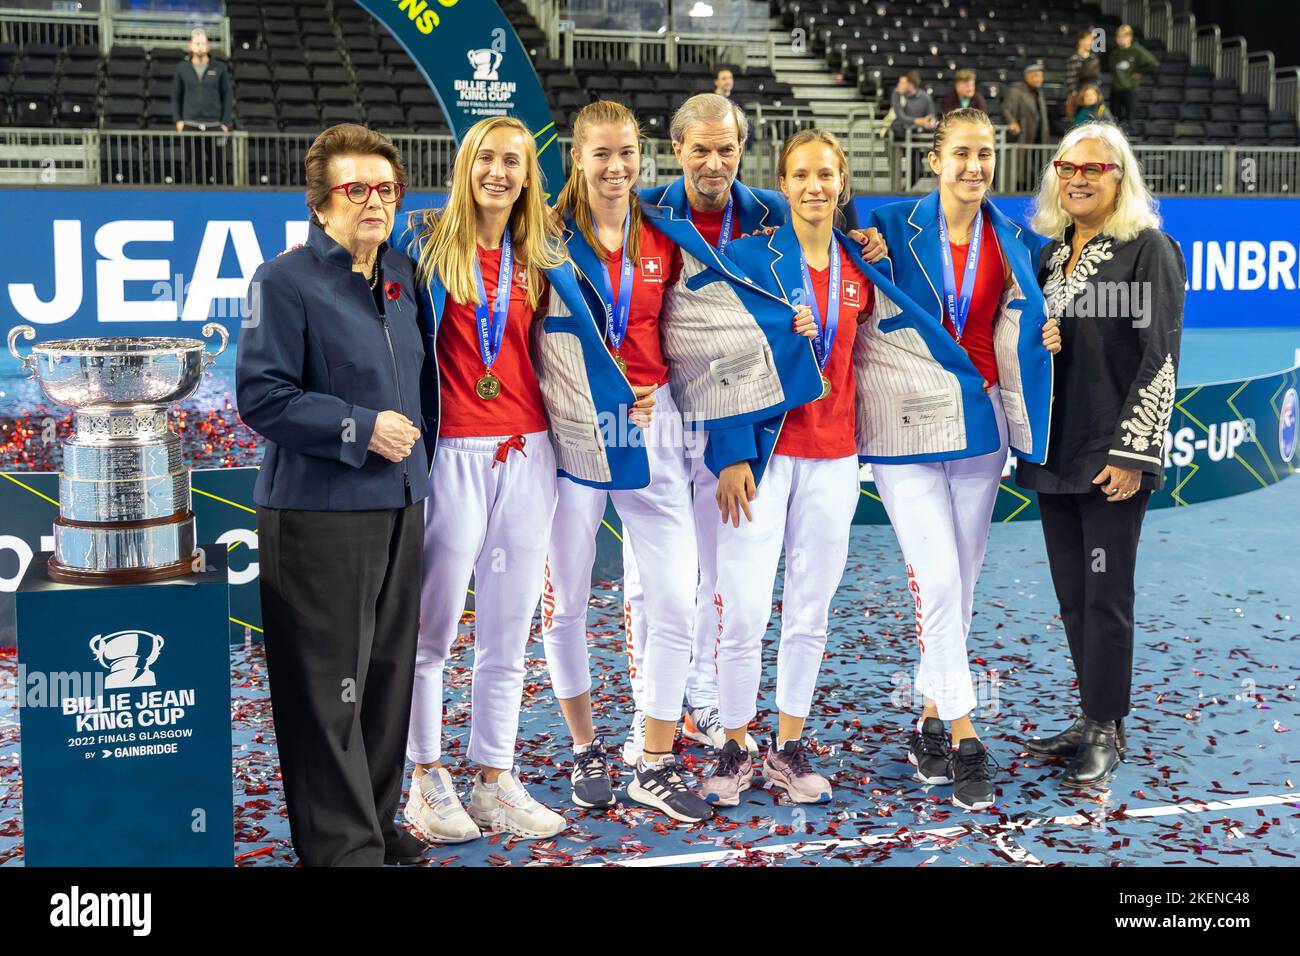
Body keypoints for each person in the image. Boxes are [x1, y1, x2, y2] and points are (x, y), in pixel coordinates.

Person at [400, 115, 650, 843]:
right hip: (454, 458)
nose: (499, 172)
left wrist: (620, 393)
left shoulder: (541, 254)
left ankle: (493, 775)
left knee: (506, 629)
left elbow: (582, 350)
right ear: (466, 166)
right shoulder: (422, 246)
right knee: (433, 627)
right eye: (486, 159)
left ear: (529, 173)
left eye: (513, 160)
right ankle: (423, 775)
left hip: (530, 453)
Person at [629, 93, 887, 763]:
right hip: (661, 410)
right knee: (651, 576)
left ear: (743, 154)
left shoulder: (766, 217)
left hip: (736, 417)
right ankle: (651, 706)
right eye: (700, 149)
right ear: (677, 148)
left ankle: (710, 701)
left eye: (727, 149)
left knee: (719, 574)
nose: (714, 162)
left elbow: (829, 235)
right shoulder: (644, 208)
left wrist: (866, 238)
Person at [235, 124, 433, 867]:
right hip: (319, 513)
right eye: (357, 189)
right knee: (329, 691)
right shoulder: (282, 281)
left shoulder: (403, 275)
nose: (374, 201)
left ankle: (374, 825)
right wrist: (357, 426)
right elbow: (261, 396)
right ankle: (340, 849)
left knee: (385, 681)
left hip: (400, 505)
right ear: (322, 204)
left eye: (385, 189)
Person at [866, 109, 1061, 810]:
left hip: (980, 429)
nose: (974, 167)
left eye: (985, 154)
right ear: (934, 159)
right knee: (939, 577)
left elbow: (1025, 320)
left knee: (963, 584)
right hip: (904, 429)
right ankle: (966, 732)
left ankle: (925, 722)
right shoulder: (888, 227)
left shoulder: (1013, 240)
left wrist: (1048, 335)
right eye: (961, 154)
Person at [700, 129, 887, 806]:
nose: (814, 186)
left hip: (836, 461)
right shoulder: (748, 259)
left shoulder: (862, 267)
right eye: (801, 175)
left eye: (826, 175)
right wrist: (729, 454)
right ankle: (732, 742)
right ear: (782, 183)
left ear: (842, 183)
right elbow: (717, 357)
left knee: (810, 609)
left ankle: (788, 744)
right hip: (765, 461)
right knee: (744, 609)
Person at [541, 100, 710, 823]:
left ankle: (655, 757)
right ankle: (585, 748)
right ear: (576, 158)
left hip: (653, 426)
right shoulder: (542, 237)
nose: (615, 168)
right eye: (601, 154)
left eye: (627, 154)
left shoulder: (661, 235)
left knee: (676, 595)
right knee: (567, 600)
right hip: (571, 432)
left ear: (643, 156)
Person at [1019, 122, 1183, 787]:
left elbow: (1160, 357)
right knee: (1073, 595)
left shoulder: (1148, 250)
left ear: (1121, 177)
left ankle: (1106, 727)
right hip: (1055, 452)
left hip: (1111, 455)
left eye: (1095, 168)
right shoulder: (1050, 256)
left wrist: (1133, 454)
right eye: (1068, 167)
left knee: (1106, 595)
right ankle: (1094, 718)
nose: (1079, 178)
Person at [171, 28, 233, 134]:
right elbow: (176, 95)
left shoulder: (220, 68)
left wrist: (225, 123)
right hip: (190, 124)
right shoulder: (182, 68)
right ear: (190, 45)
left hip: (214, 124)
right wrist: (178, 121)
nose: (200, 46)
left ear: (209, 46)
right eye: (197, 43)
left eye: (203, 43)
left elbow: (227, 95)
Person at [1002, 63, 1051, 192]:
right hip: (1023, 135)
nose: (1039, 79)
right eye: (1035, 76)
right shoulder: (1016, 91)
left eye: (1040, 76)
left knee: (1037, 168)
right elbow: (1006, 110)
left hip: (1039, 136)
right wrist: (1012, 122)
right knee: (1020, 169)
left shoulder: (1039, 93)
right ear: (1027, 77)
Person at [1108, 24, 1160, 128]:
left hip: (1130, 88)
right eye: (1118, 36)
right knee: (1114, 119)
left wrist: (1139, 71)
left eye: (1123, 36)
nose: (1120, 39)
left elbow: (1154, 63)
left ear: (1130, 37)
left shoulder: (1137, 50)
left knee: (1130, 120)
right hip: (1116, 88)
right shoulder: (1114, 51)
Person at [889, 70, 938, 141]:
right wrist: (919, 121)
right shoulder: (896, 94)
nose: (899, 85)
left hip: (920, 129)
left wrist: (930, 122)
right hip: (902, 130)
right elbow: (901, 117)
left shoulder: (925, 97)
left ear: (911, 85)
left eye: (903, 83)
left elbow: (932, 116)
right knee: (897, 127)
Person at [1064, 28, 1102, 104]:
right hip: (1079, 95)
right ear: (1080, 41)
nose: (1091, 42)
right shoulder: (1074, 59)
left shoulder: (1094, 58)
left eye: (1092, 40)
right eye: (1088, 40)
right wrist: (1074, 95)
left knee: (1100, 112)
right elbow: (1070, 79)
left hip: (1093, 95)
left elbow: (1097, 77)